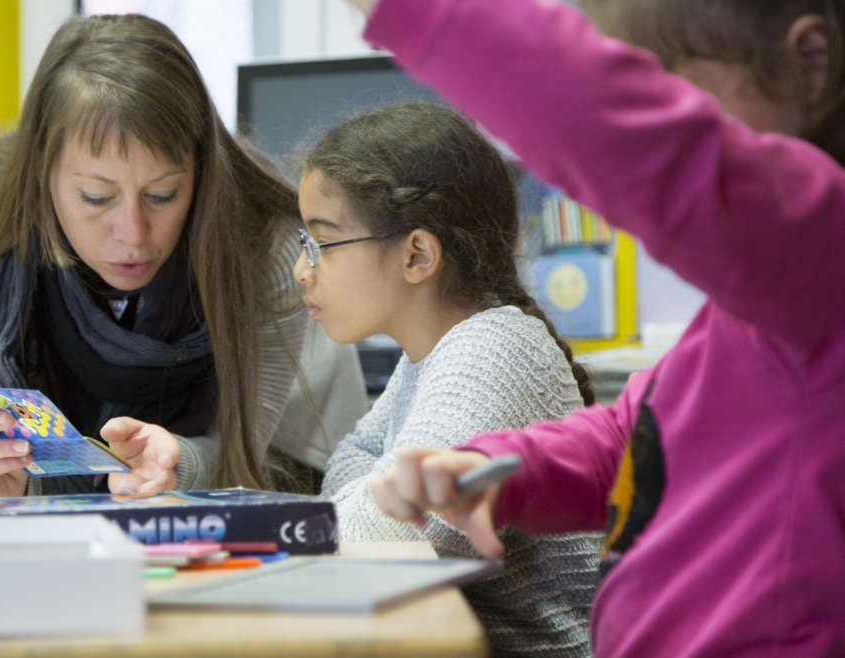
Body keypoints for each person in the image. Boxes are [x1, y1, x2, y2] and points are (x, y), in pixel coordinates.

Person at [351, 0, 845, 655]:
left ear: (807, 64)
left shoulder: (824, 250)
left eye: (659, 87)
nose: (649, 112)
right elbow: (637, 441)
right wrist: (505, 470)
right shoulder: (759, 307)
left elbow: (626, 136)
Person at [0, 13, 367, 500]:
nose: (133, 235)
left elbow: (238, 460)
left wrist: (178, 463)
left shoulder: (265, 241)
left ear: (201, 175)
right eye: (96, 198)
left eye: (163, 195)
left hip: (279, 465)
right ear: (40, 171)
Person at [298, 102, 600, 657]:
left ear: (417, 254)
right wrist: (369, 488)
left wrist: (371, 490)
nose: (302, 269)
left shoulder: (491, 349)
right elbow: (347, 470)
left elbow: (392, 531)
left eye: (322, 244)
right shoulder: (429, 355)